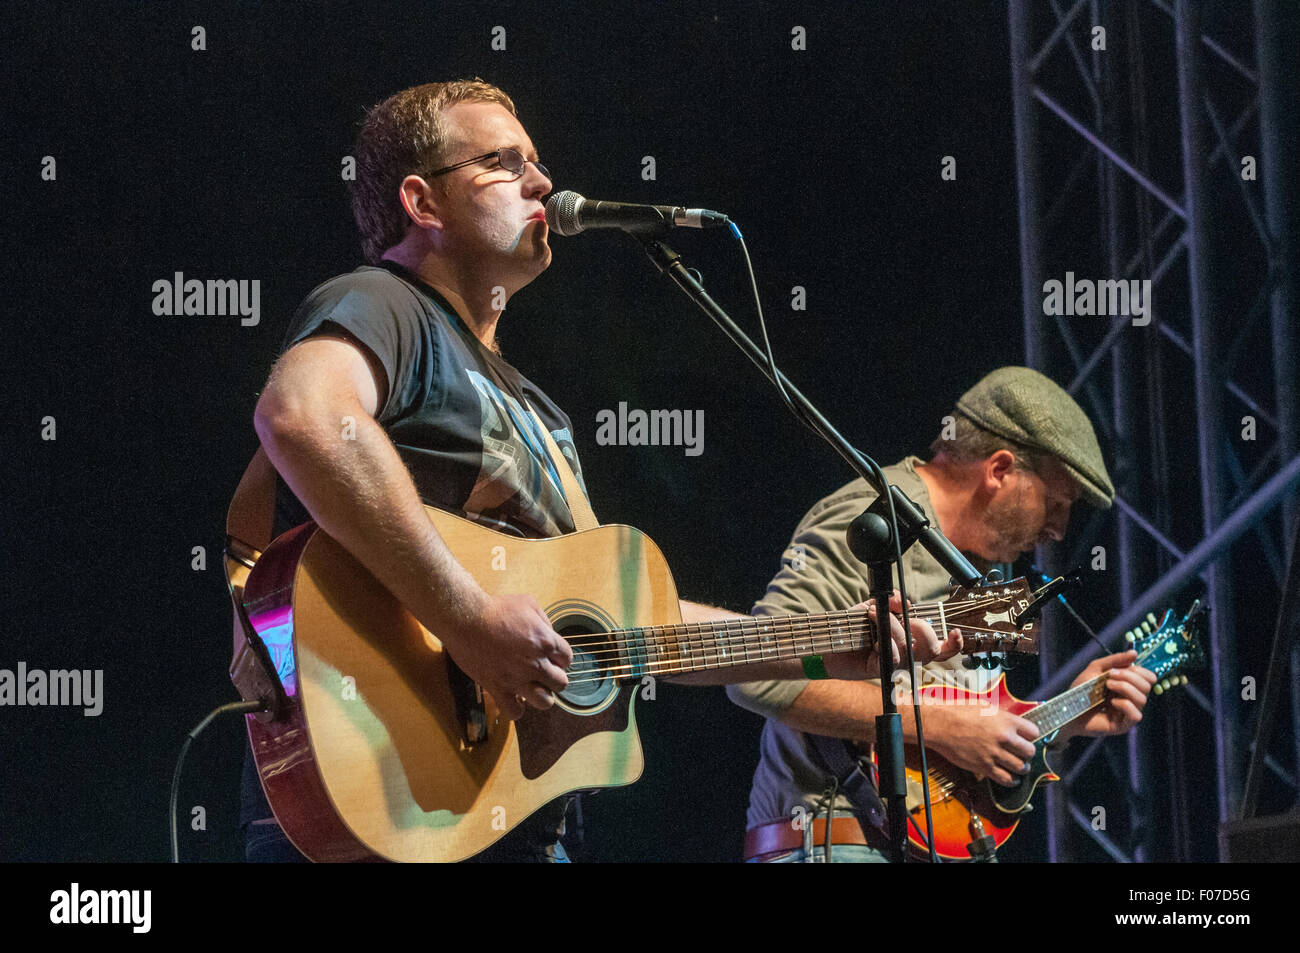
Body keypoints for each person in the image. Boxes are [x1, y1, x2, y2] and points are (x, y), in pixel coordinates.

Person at [236, 79, 955, 863]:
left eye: (537, 162)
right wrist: (467, 617)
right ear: (422, 202)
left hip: (508, 822)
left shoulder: (539, 410)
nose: (542, 182)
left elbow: (636, 625)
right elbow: (303, 417)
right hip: (389, 793)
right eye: (504, 162)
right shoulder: (385, 304)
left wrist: (826, 644)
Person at [727, 366, 1157, 862]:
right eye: (1055, 504)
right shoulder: (868, 521)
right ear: (999, 470)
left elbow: (962, 740)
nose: (1059, 530)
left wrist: (1069, 716)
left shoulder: (990, 564)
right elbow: (753, 678)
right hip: (834, 841)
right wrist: (945, 727)